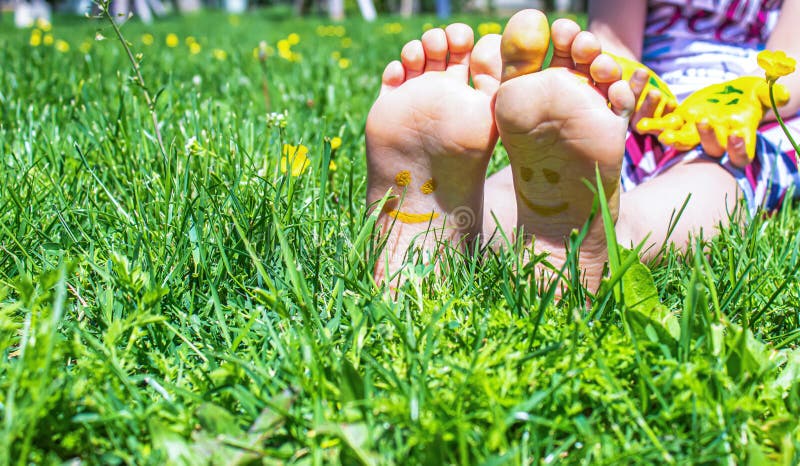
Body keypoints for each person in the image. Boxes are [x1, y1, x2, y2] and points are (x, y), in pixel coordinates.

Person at [365, 4, 799, 290]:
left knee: (710, 175)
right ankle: (455, 229)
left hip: (749, 122)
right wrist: (629, 80)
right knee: (569, 153)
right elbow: (611, 45)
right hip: (648, 109)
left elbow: (794, 66)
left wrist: (751, 99)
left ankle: (612, 232)